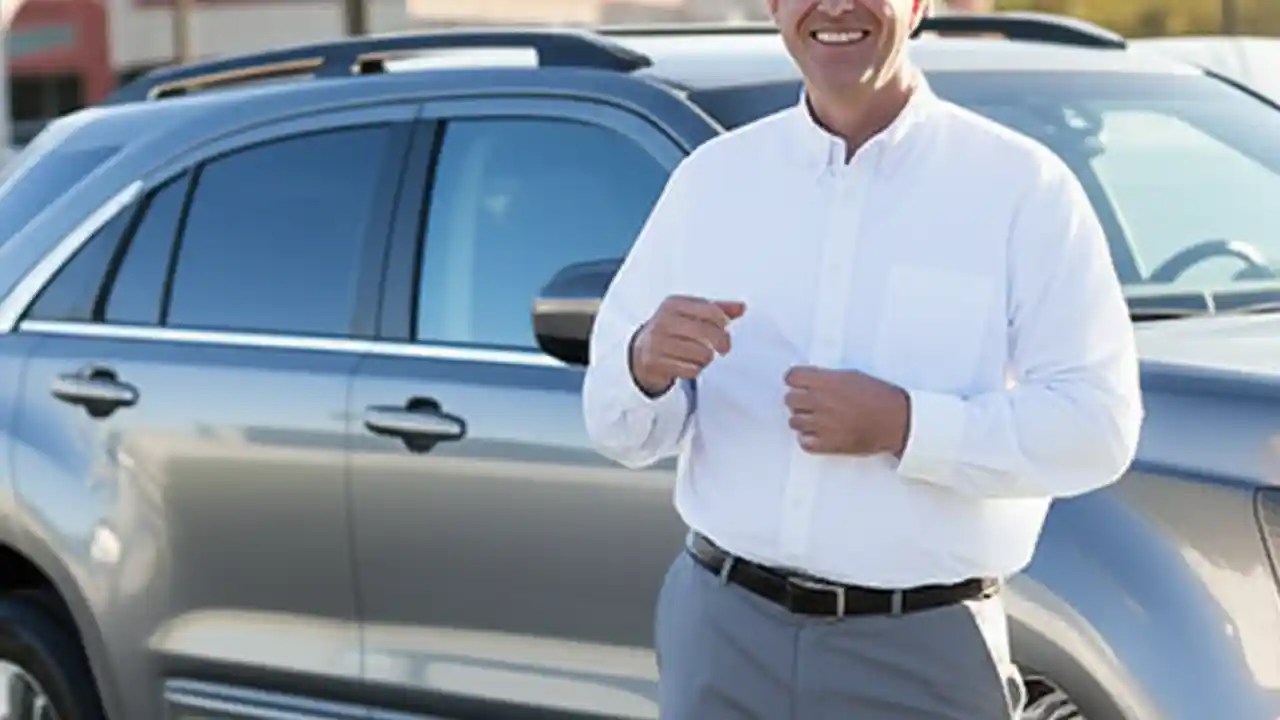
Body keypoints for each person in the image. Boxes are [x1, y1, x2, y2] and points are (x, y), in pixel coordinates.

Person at [581, 0, 1145, 717]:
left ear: (917, 6)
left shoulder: (1022, 191)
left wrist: (906, 425)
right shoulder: (712, 182)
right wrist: (644, 364)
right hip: (721, 635)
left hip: (922, 651)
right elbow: (616, 427)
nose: (837, 8)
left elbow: (1098, 428)